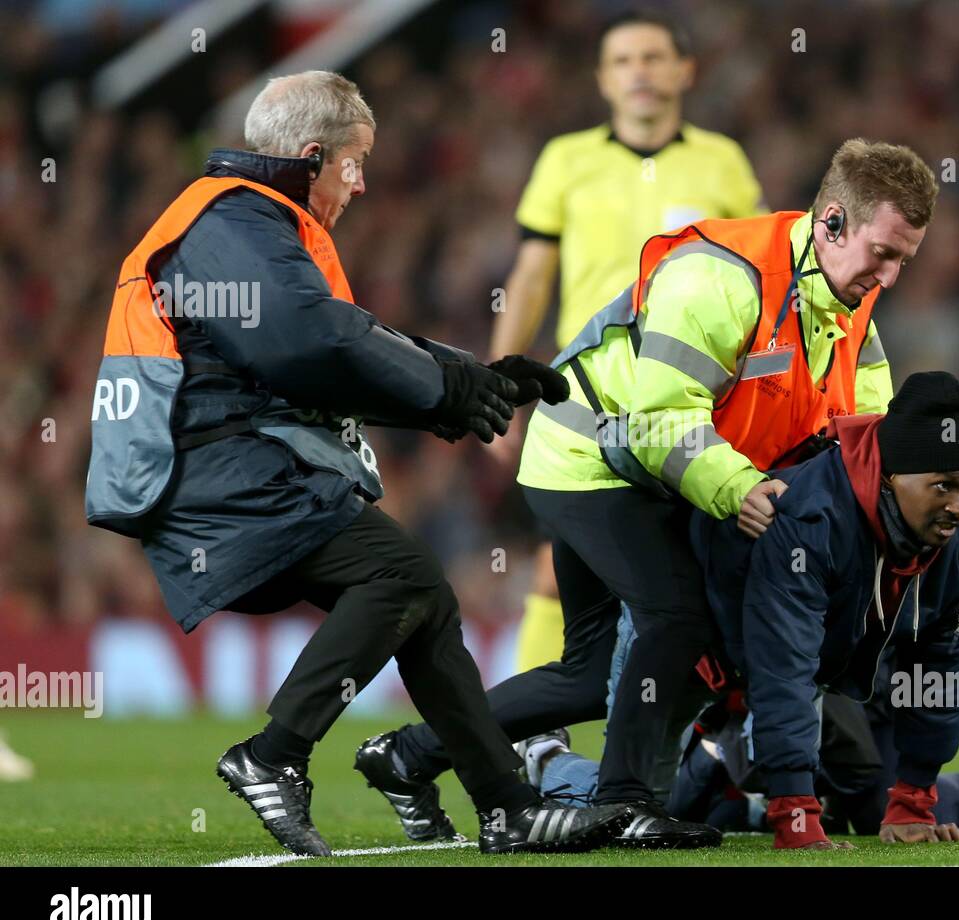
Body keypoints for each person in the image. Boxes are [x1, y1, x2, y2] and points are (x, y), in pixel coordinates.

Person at [364, 139, 959, 848]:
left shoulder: (851, 314)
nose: (892, 275)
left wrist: (937, 454)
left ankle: (409, 753)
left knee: (592, 670)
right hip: (589, 453)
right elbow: (661, 420)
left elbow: (862, 447)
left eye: (904, 259)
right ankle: (629, 801)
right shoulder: (720, 278)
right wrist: (741, 488)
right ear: (833, 222)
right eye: (884, 252)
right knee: (681, 617)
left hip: (650, 470)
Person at [84, 70, 628, 856]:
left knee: (427, 601)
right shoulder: (233, 220)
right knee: (404, 578)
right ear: (312, 157)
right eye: (354, 162)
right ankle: (272, 754)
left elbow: (337, 345)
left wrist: (476, 377)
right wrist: (448, 388)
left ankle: (506, 806)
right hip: (214, 475)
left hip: (235, 466)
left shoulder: (248, 221)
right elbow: (311, 347)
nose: (362, 183)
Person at [518, 373, 959, 848]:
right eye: (944, 486)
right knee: (642, 807)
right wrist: (794, 811)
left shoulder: (948, 540)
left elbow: (941, 666)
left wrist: (913, 801)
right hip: (709, 645)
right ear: (893, 478)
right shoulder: (811, 516)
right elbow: (785, 666)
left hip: (823, 668)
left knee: (874, 799)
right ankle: (548, 759)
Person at [489, 8, 764, 674]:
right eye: (622, 61)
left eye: (652, 57)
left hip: (690, 388)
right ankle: (532, 736)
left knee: (705, 560)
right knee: (560, 566)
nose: (638, 72)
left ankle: (708, 743)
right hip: (585, 390)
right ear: (603, 80)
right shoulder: (566, 159)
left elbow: (757, 279)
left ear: (684, 70)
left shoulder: (723, 163)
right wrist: (499, 384)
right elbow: (529, 276)